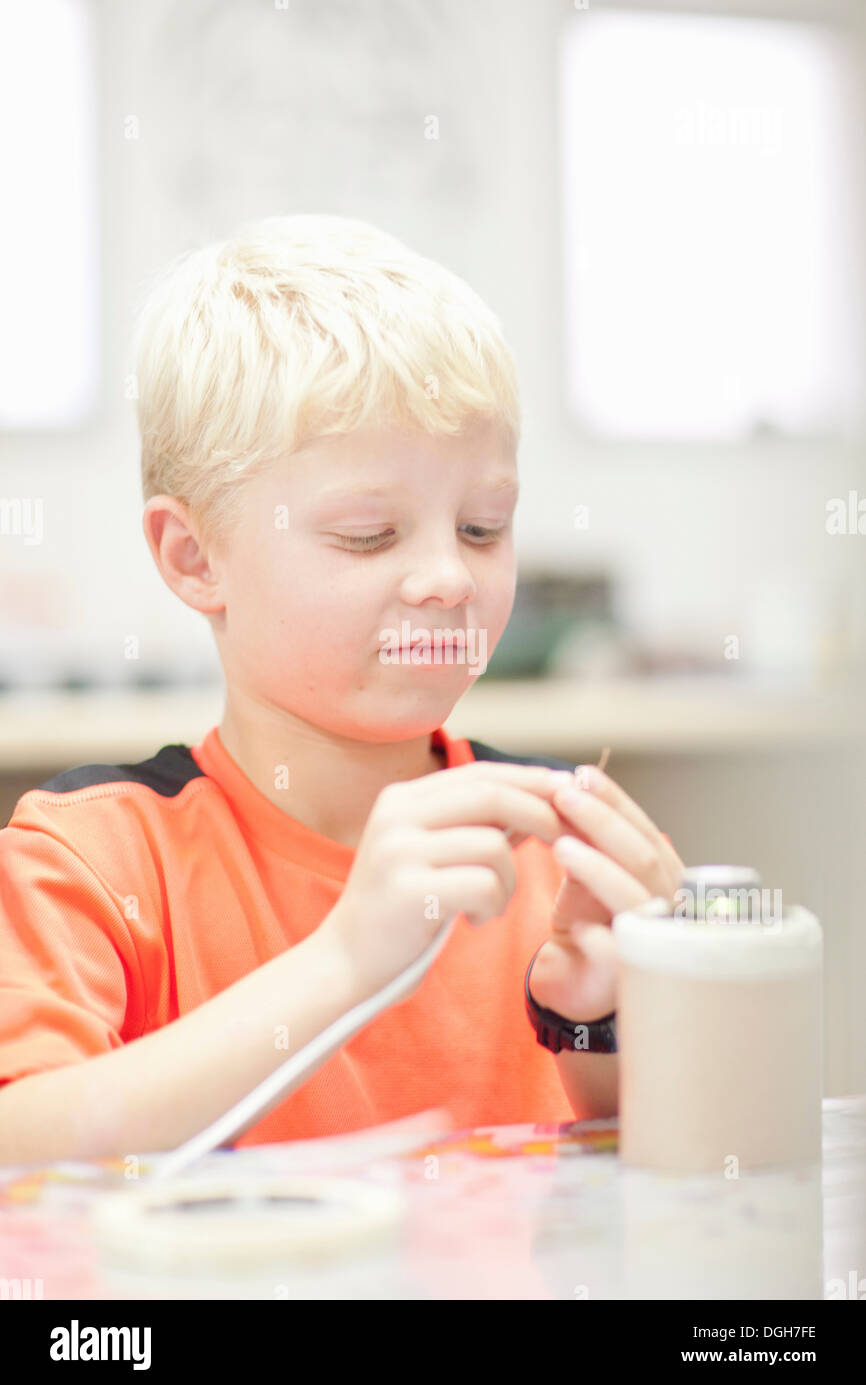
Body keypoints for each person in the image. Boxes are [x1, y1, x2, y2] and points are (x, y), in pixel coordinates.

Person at [0, 215, 684, 1164]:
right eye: (369, 534)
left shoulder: (558, 855)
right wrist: (347, 961)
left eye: (484, 527)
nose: (449, 576)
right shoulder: (93, 858)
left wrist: (608, 1020)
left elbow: (689, 1186)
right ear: (195, 557)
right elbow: (19, 1152)